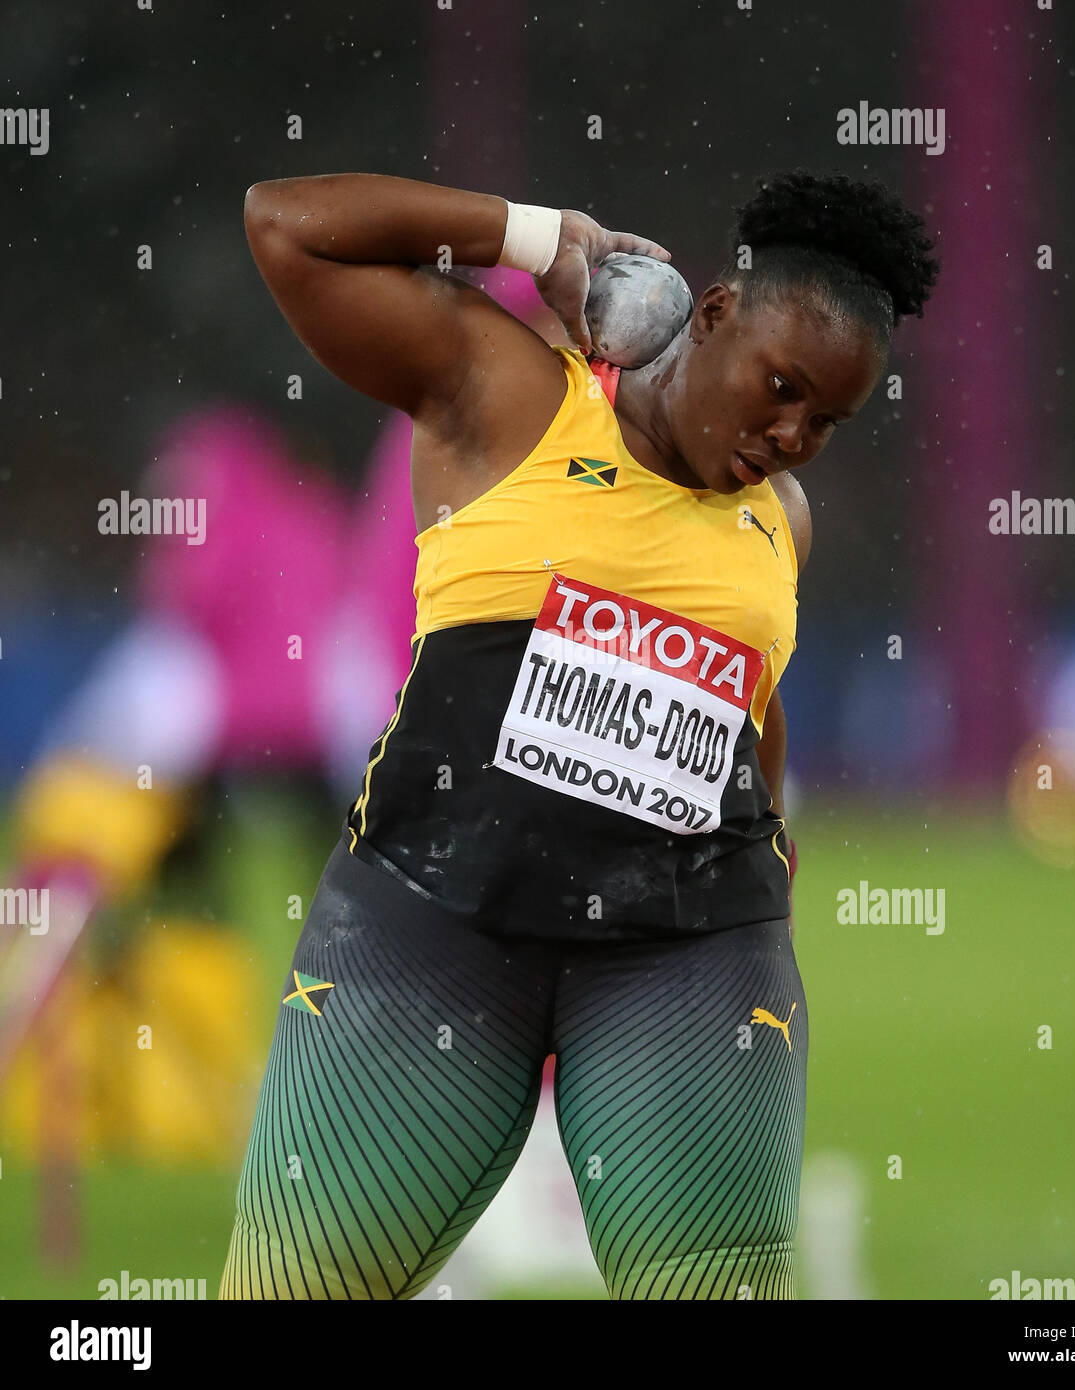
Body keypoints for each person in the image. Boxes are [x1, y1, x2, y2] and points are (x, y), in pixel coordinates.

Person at [219, 169, 938, 1300]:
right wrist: (536, 235)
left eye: (827, 422)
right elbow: (286, 226)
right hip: (430, 929)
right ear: (710, 316)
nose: (792, 435)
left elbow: (751, 708)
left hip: (687, 958)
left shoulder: (777, 520)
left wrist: (772, 868)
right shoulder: (501, 390)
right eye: (780, 386)